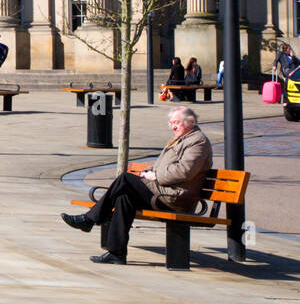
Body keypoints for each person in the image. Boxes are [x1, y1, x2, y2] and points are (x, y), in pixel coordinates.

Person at [61, 106, 212, 264]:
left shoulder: (198, 141)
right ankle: (116, 253)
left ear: (191, 122)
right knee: (124, 197)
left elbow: (184, 171)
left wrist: (156, 176)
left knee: (125, 179)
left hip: (174, 198)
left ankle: (89, 219)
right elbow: (160, 165)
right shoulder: (180, 139)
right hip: (163, 192)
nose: (173, 126)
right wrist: (146, 172)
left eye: (177, 123)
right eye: (171, 123)